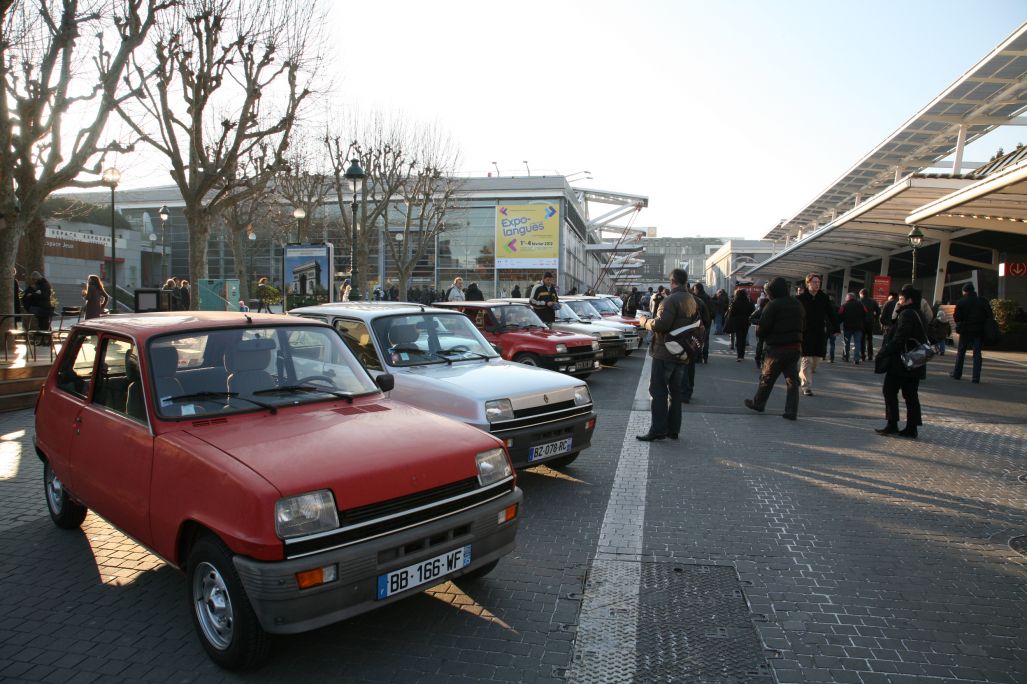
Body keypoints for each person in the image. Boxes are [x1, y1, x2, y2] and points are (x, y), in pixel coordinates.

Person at [636, 268, 698, 441]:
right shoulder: (691, 299)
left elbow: (661, 325)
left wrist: (645, 321)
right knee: (676, 392)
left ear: (673, 281)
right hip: (682, 352)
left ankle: (658, 430)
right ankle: (673, 429)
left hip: (665, 352)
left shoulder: (670, 300)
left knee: (658, 391)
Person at [744, 277, 804, 420]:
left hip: (776, 348)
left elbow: (764, 328)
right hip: (794, 347)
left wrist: (759, 332)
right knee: (792, 381)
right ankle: (791, 411)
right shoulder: (797, 304)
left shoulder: (773, 305)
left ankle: (758, 403)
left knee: (767, 378)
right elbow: (804, 325)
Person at [875, 285, 928, 438]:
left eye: (901, 299)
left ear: (909, 300)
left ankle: (892, 424)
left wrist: (884, 352)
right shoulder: (919, 313)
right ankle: (912, 428)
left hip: (901, 362)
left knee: (889, 391)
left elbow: (900, 338)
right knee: (911, 395)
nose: (899, 302)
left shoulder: (907, 314)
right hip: (915, 361)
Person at [796, 273, 837, 396]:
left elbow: (831, 313)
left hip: (819, 333)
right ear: (808, 283)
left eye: (818, 282)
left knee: (816, 361)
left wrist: (836, 328)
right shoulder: (801, 298)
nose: (817, 284)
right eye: (814, 282)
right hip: (805, 333)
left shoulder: (824, 298)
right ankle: (806, 386)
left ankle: (803, 374)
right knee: (806, 360)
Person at [951, 282, 992, 384]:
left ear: (964, 291)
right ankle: (975, 377)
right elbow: (989, 315)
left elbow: (956, 318)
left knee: (961, 352)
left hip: (965, 331)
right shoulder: (982, 301)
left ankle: (957, 373)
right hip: (978, 331)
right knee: (977, 354)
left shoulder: (961, 302)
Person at [23, 271, 54, 340]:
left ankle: (46, 339)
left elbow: (44, 296)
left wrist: (33, 295)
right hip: (44, 308)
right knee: (44, 324)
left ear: (36, 279)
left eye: (34, 280)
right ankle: (45, 339)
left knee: (43, 324)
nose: (33, 281)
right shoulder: (43, 285)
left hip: (43, 308)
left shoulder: (43, 285)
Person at [726, 288, 755, 362]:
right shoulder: (749, 303)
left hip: (737, 322)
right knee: (744, 338)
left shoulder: (735, 303)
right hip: (746, 322)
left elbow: (732, 313)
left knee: (739, 338)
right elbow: (753, 311)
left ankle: (739, 356)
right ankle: (742, 355)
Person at [839, 292, 866, 365]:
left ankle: (846, 356)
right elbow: (865, 313)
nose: (845, 298)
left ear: (848, 298)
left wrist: (838, 324)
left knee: (846, 342)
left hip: (847, 327)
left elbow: (840, 315)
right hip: (858, 327)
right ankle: (856, 358)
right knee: (857, 343)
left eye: (846, 297)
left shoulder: (844, 305)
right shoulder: (861, 305)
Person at [691, 283, 713, 363]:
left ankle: (698, 356)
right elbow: (712, 310)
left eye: (695, 289)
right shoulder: (708, 297)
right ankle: (705, 357)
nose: (694, 290)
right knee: (706, 340)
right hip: (707, 321)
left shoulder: (695, 299)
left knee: (697, 339)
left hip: (698, 323)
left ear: (697, 289)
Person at [859, 288, 881, 361]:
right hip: (870, 322)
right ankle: (870, 355)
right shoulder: (873, 301)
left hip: (862, 322)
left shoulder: (860, 301)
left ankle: (862, 354)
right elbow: (878, 311)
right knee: (869, 339)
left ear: (862, 294)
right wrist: (874, 317)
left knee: (862, 339)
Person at [751, 293, 769, 367]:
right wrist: (760, 322)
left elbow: (751, 318)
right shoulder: (761, 311)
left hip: (762, 330)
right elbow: (751, 318)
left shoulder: (760, 310)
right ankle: (760, 359)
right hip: (763, 330)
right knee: (762, 345)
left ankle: (759, 359)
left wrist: (759, 322)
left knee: (761, 345)